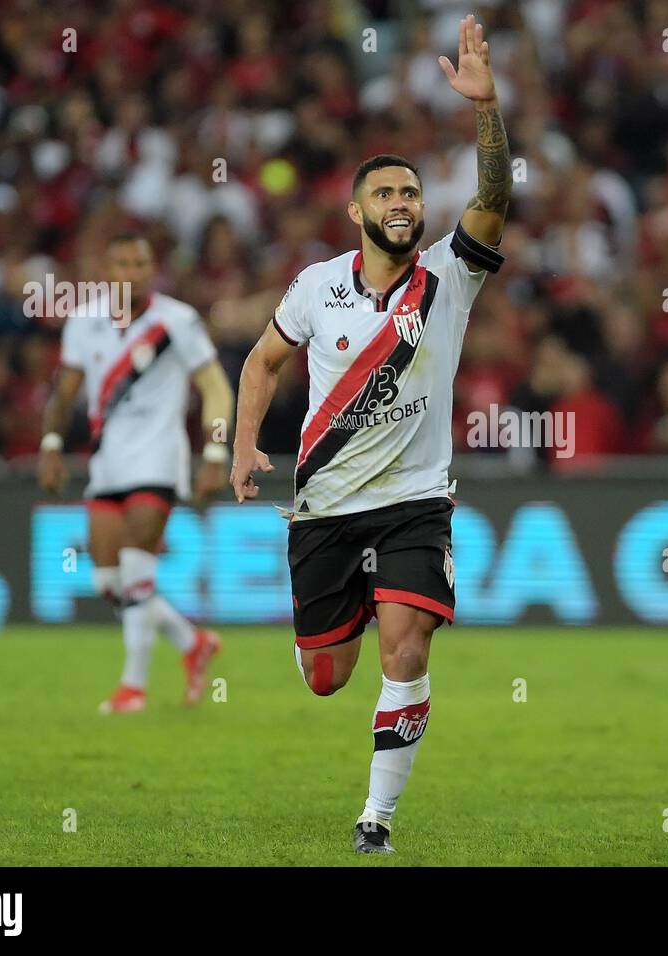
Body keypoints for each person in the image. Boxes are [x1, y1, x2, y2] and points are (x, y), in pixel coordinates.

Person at [229, 15, 509, 855]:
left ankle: (375, 821)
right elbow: (261, 363)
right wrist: (243, 446)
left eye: (412, 193)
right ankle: (322, 637)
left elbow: (494, 197)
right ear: (356, 210)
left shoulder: (451, 278)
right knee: (327, 676)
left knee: (406, 644)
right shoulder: (316, 286)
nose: (402, 204)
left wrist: (486, 106)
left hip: (416, 503)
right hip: (325, 505)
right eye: (386, 194)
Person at [38, 234, 234, 713]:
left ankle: (133, 688)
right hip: (106, 462)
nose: (132, 271)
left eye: (141, 263)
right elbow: (65, 392)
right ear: (108, 269)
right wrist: (50, 444)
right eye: (122, 262)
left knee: (135, 573)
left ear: (153, 269)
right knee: (110, 583)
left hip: (158, 460)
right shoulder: (84, 321)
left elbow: (215, 388)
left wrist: (214, 452)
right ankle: (193, 642)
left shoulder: (177, 320)